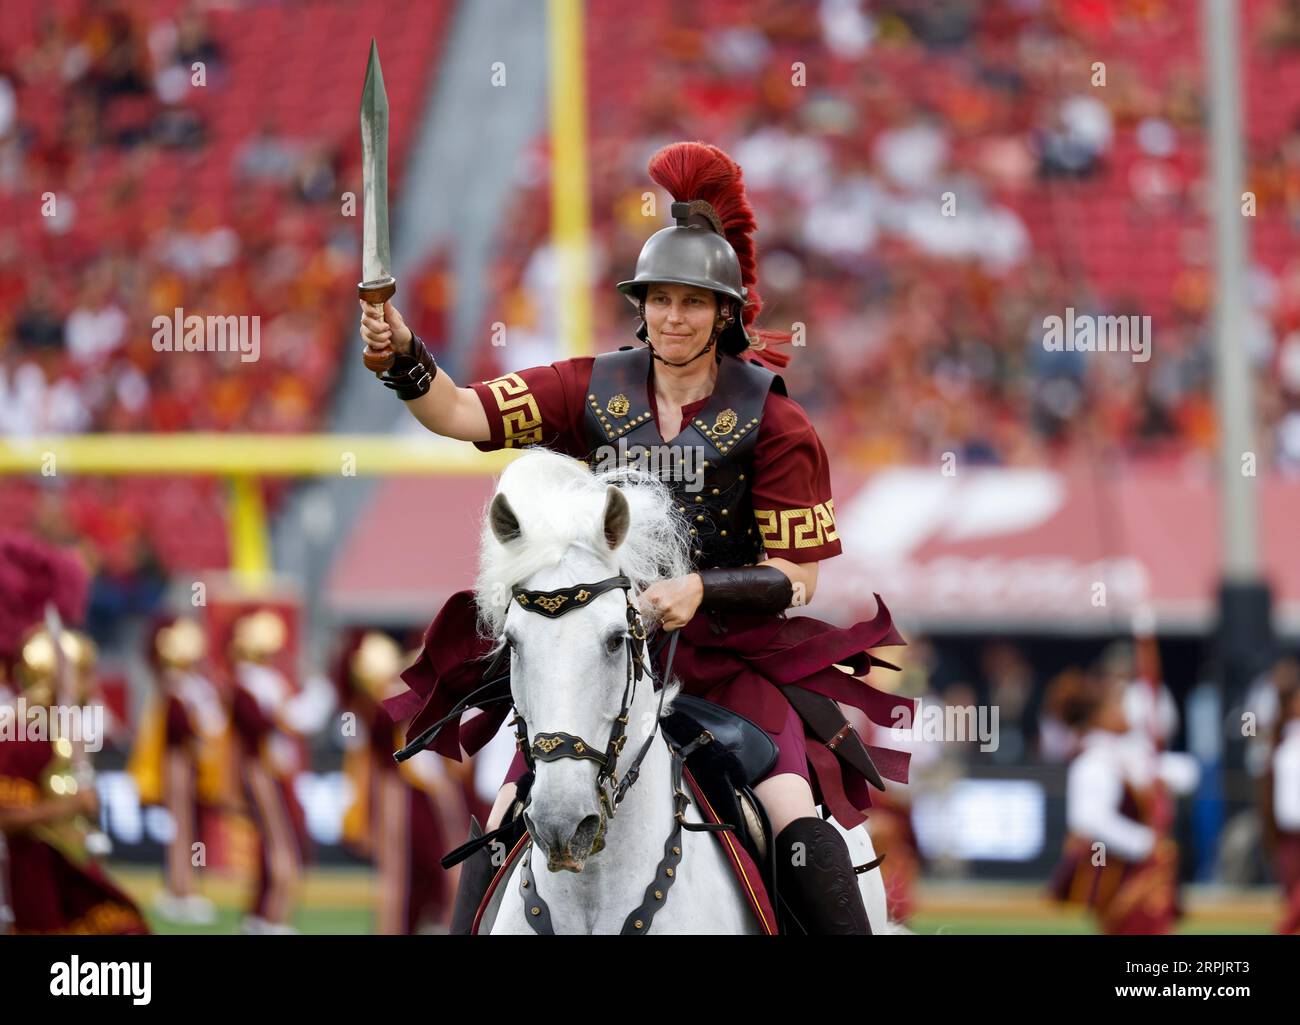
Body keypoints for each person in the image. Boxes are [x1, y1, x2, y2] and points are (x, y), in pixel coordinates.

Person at [361, 141, 913, 935]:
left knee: (796, 824)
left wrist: (699, 591)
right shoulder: (588, 385)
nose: (673, 317)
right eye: (659, 300)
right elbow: (458, 413)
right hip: (596, 658)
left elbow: (801, 579)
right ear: (640, 305)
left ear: (725, 313)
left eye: (692, 303)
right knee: (501, 816)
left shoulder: (777, 420)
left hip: (730, 665)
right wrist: (402, 357)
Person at [0, 531, 147, 935]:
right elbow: (6, 814)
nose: (85, 681)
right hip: (25, 868)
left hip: (46, 862)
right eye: (80, 671)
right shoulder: (25, 728)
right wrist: (71, 806)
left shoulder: (39, 721)